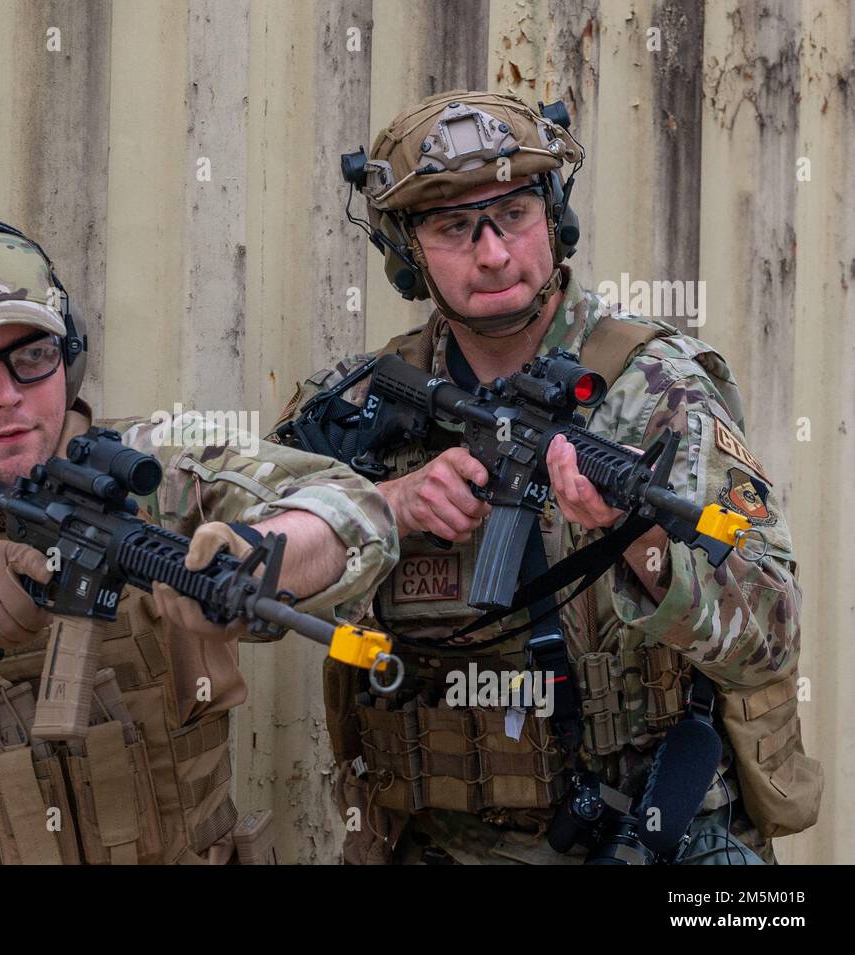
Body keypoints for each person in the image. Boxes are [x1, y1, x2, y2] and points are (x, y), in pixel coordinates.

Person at [270, 91, 820, 864]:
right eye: (453, 227)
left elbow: (772, 636)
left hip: (649, 838)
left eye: (514, 214)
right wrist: (385, 507)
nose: (492, 253)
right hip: (435, 843)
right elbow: (241, 589)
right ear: (406, 250)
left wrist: (642, 542)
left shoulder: (658, 390)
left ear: (554, 215)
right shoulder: (361, 404)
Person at [0, 216, 399, 864]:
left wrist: (254, 546)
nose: (9, 395)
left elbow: (354, 508)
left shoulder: (153, 469)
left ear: (69, 357)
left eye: (34, 356)